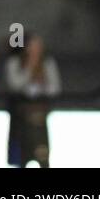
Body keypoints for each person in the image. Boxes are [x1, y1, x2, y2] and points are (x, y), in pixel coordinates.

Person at [5, 33, 61, 167]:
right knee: (21, 156)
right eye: (32, 46)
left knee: (42, 154)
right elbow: (14, 85)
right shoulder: (15, 62)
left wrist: (42, 88)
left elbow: (55, 88)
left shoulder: (47, 63)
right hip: (20, 117)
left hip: (40, 116)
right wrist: (30, 67)